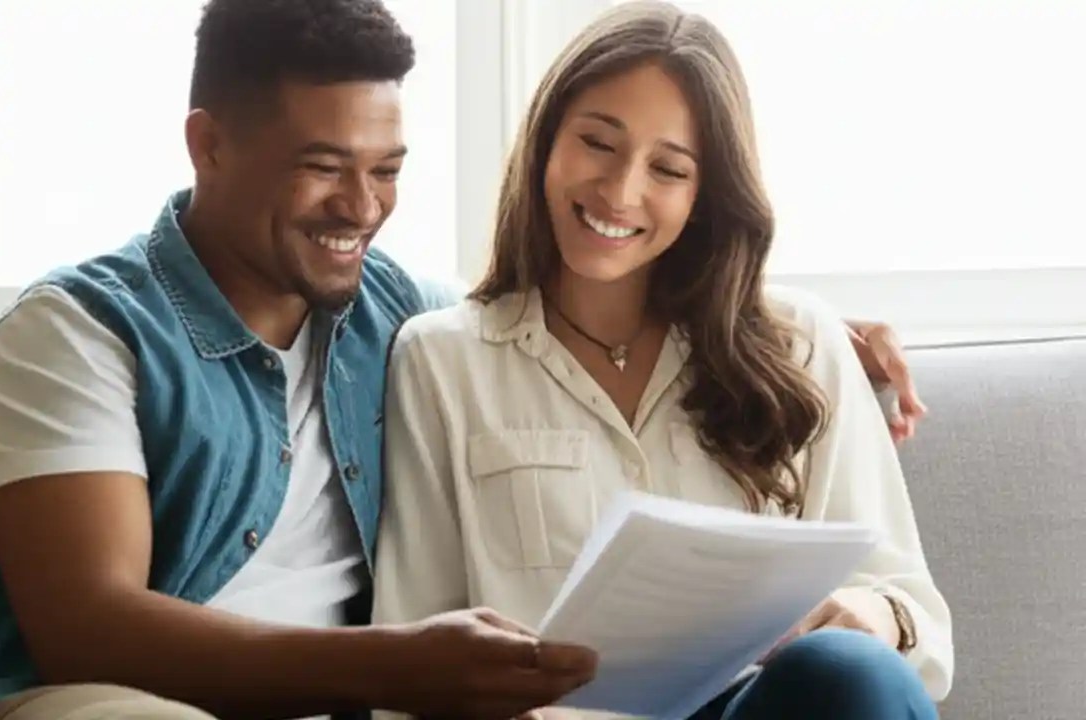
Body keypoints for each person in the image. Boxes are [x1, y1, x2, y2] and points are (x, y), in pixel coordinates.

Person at [0, 2, 924, 719]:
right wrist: (402, 665)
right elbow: (87, 631)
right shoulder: (74, 333)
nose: (360, 207)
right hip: (89, 698)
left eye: (387, 169)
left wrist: (792, 329)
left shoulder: (394, 315)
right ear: (208, 144)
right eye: (323, 166)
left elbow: (559, 316)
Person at [371, 3, 952, 720]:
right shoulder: (442, 360)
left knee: (847, 668)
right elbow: (413, 649)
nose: (620, 192)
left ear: (705, 195)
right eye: (597, 143)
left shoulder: (801, 345)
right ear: (547, 140)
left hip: (764, 705)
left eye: (668, 169)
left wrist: (875, 614)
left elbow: (918, 620)